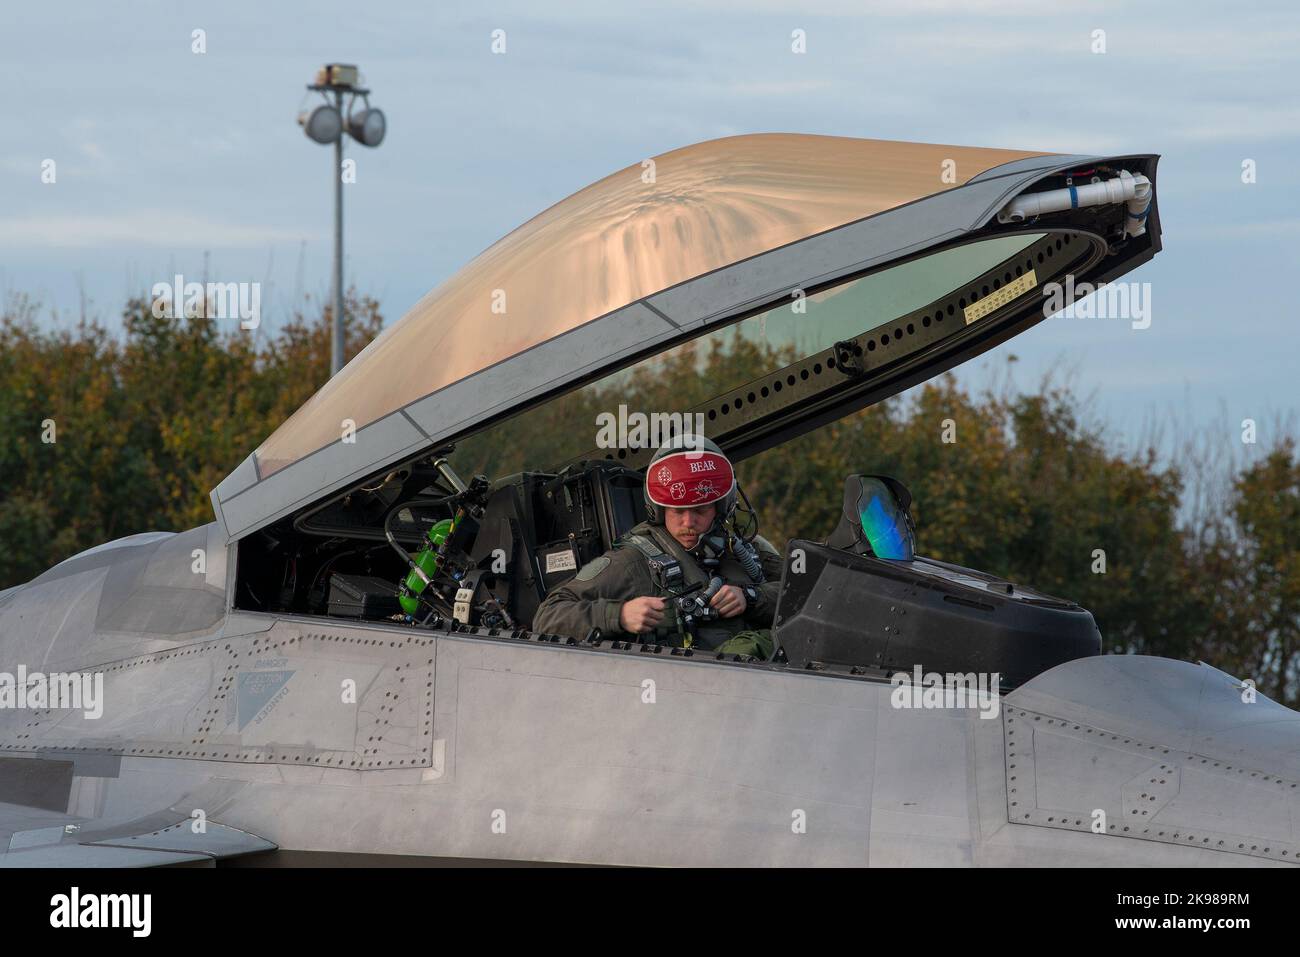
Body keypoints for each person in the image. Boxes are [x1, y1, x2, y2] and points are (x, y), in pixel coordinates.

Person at [531, 437, 783, 658]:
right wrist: (620, 614)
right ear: (660, 510)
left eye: (700, 510)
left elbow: (811, 594)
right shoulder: (632, 563)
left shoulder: (744, 549)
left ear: (721, 507)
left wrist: (752, 597)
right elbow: (548, 615)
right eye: (677, 511)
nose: (688, 522)